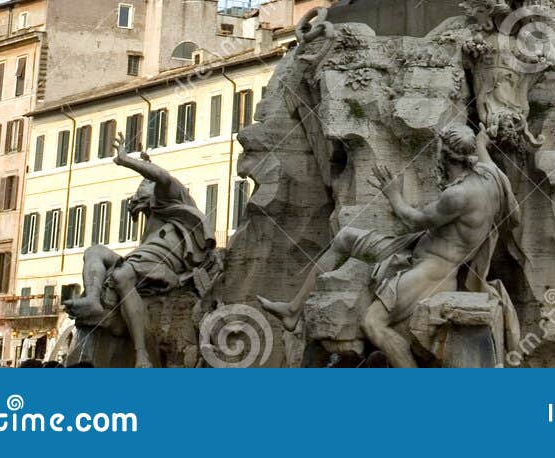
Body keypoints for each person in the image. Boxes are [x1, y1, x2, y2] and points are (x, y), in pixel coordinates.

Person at [260, 125, 516, 368]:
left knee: (372, 324)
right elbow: (484, 153)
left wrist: (393, 193)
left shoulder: (458, 195)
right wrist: (483, 140)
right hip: (415, 248)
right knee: (345, 237)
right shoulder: (490, 176)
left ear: (446, 155)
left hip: (433, 270)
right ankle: (293, 310)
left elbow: (413, 220)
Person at [64, 140, 218, 368]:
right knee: (94, 251)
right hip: (145, 259)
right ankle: (93, 300)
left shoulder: (170, 195)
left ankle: (141, 354)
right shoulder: (154, 218)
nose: (138, 193)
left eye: (143, 185)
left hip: (166, 261)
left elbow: (162, 177)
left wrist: (127, 161)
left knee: (121, 276)